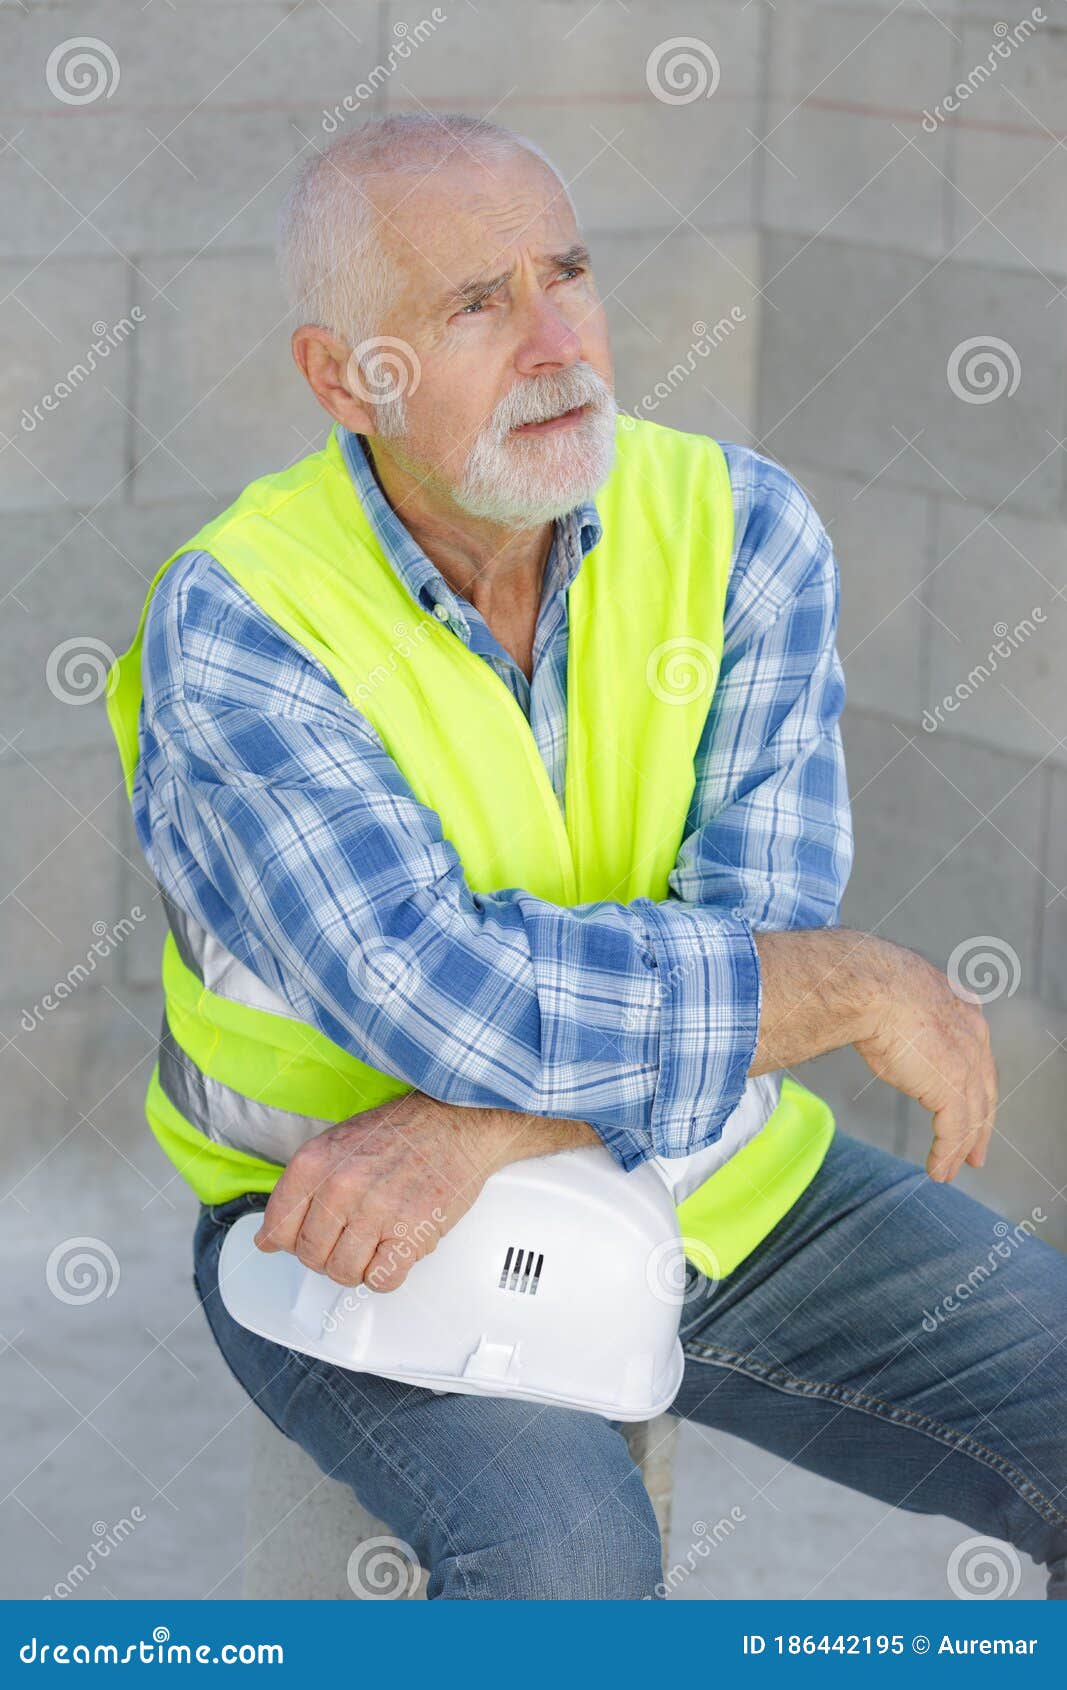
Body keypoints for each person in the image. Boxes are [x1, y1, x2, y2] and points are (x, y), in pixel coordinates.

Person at [107, 114, 1067, 1600]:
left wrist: (489, 1128)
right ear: (343, 373)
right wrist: (850, 986)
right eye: (477, 305)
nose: (559, 342)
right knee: (564, 1559)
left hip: (704, 1169)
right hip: (347, 1212)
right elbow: (442, 999)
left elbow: (768, 920)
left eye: (568, 275)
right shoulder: (246, 618)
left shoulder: (739, 526)